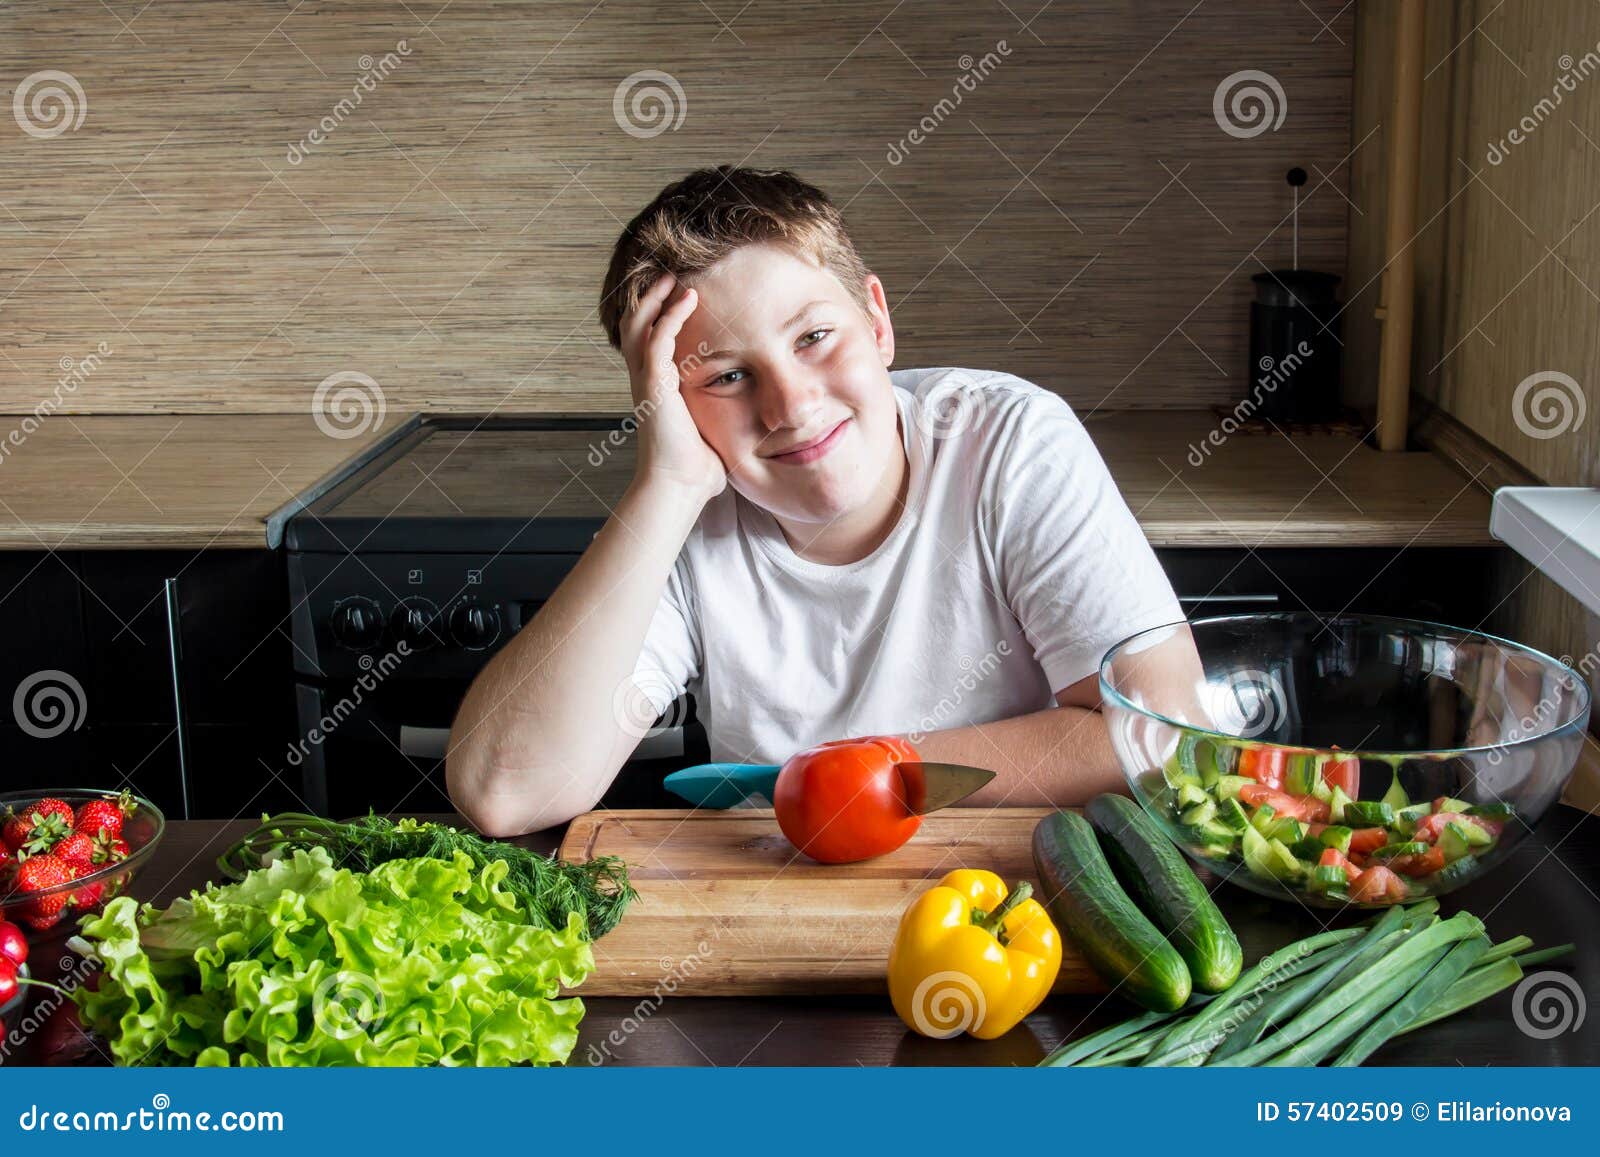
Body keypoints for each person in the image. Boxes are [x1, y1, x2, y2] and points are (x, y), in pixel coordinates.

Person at [446, 164, 1186, 836]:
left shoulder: (1008, 440)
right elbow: (503, 792)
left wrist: (867, 769)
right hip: (783, 905)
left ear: (877, 321)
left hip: (1012, 902)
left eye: (815, 336)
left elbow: (1160, 732)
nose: (791, 405)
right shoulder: (684, 517)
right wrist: (664, 489)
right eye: (727, 377)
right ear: (671, 403)